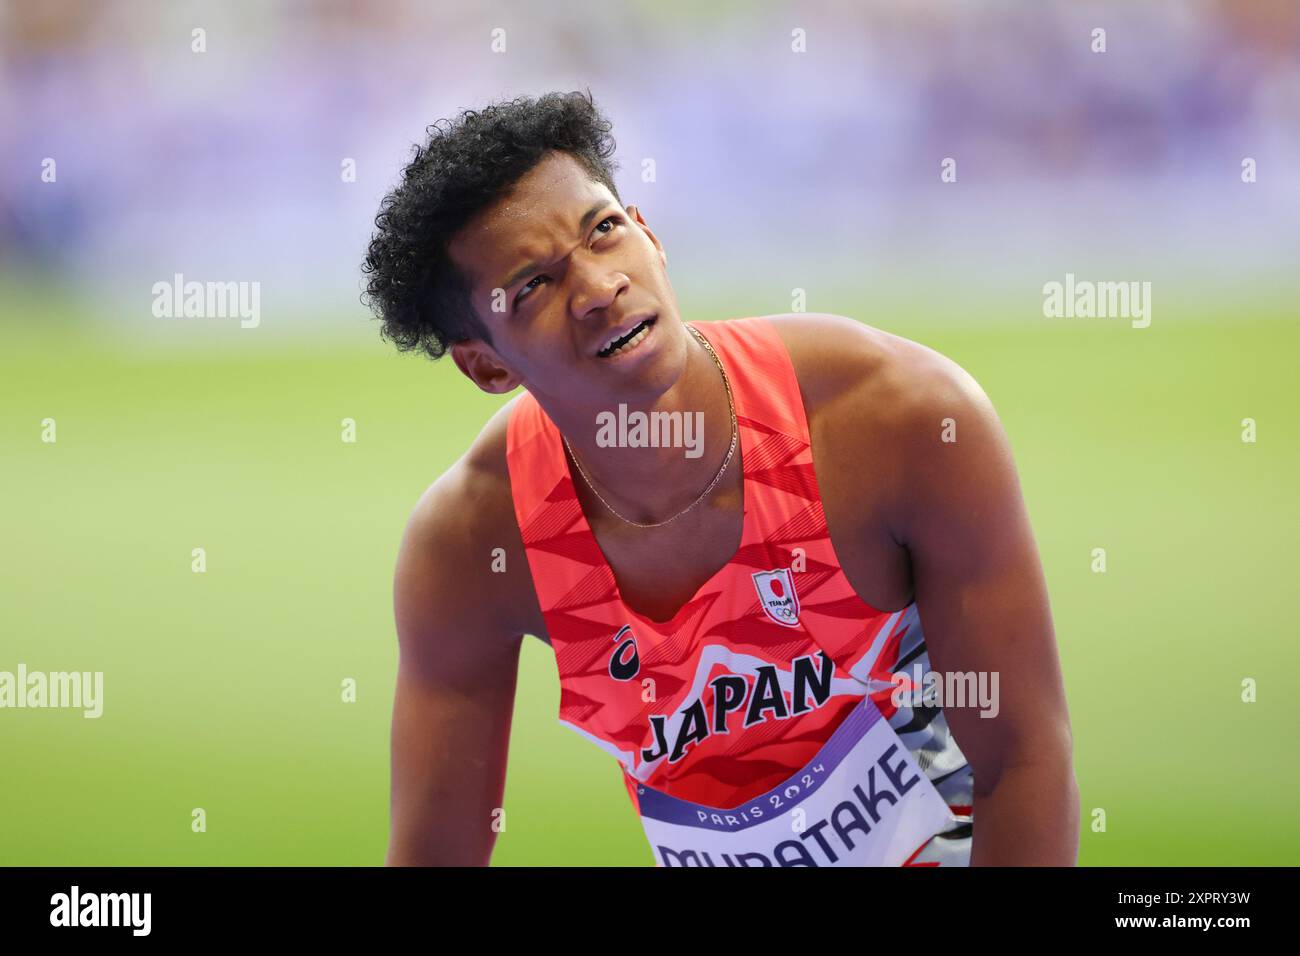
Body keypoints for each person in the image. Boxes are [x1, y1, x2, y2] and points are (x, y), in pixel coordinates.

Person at [366, 90, 1078, 867]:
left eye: (605, 230)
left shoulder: (899, 420)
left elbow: (1024, 760)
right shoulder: (474, 545)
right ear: (486, 363)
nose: (601, 286)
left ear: (651, 234)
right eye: (534, 285)